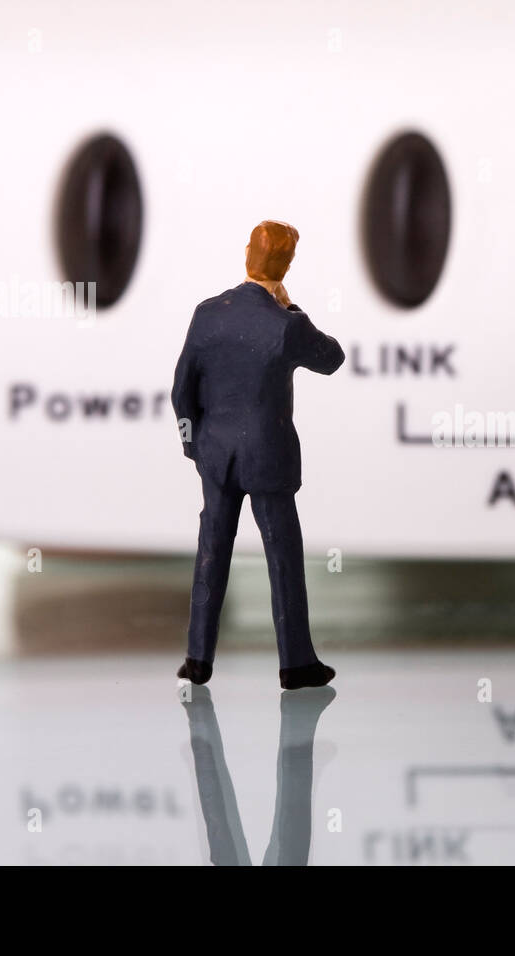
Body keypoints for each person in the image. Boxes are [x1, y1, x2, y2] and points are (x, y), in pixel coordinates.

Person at [172, 220, 344, 689]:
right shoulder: (286, 326)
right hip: (267, 457)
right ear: (286, 265)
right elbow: (332, 358)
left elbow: (181, 391)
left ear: (246, 252)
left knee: (211, 552)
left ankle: (197, 658)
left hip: (216, 455)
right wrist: (293, 308)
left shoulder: (207, 313)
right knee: (282, 560)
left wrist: (194, 445)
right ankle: (295, 663)